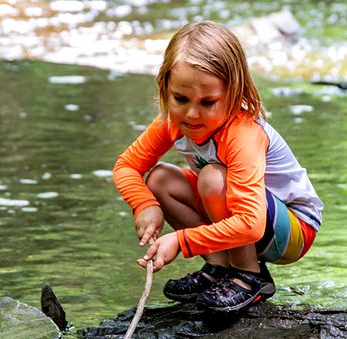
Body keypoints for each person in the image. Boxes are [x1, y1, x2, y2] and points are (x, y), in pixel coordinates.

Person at [112, 21, 323, 312]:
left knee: (212, 178)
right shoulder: (173, 122)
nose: (192, 114)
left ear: (234, 93)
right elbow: (126, 167)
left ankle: (250, 275)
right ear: (164, 86)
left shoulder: (243, 133)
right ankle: (219, 267)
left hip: (293, 229)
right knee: (160, 179)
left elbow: (250, 224)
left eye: (208, 102)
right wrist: (144, 204)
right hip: (244, 215)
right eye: (180, 99)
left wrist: (182, 241)